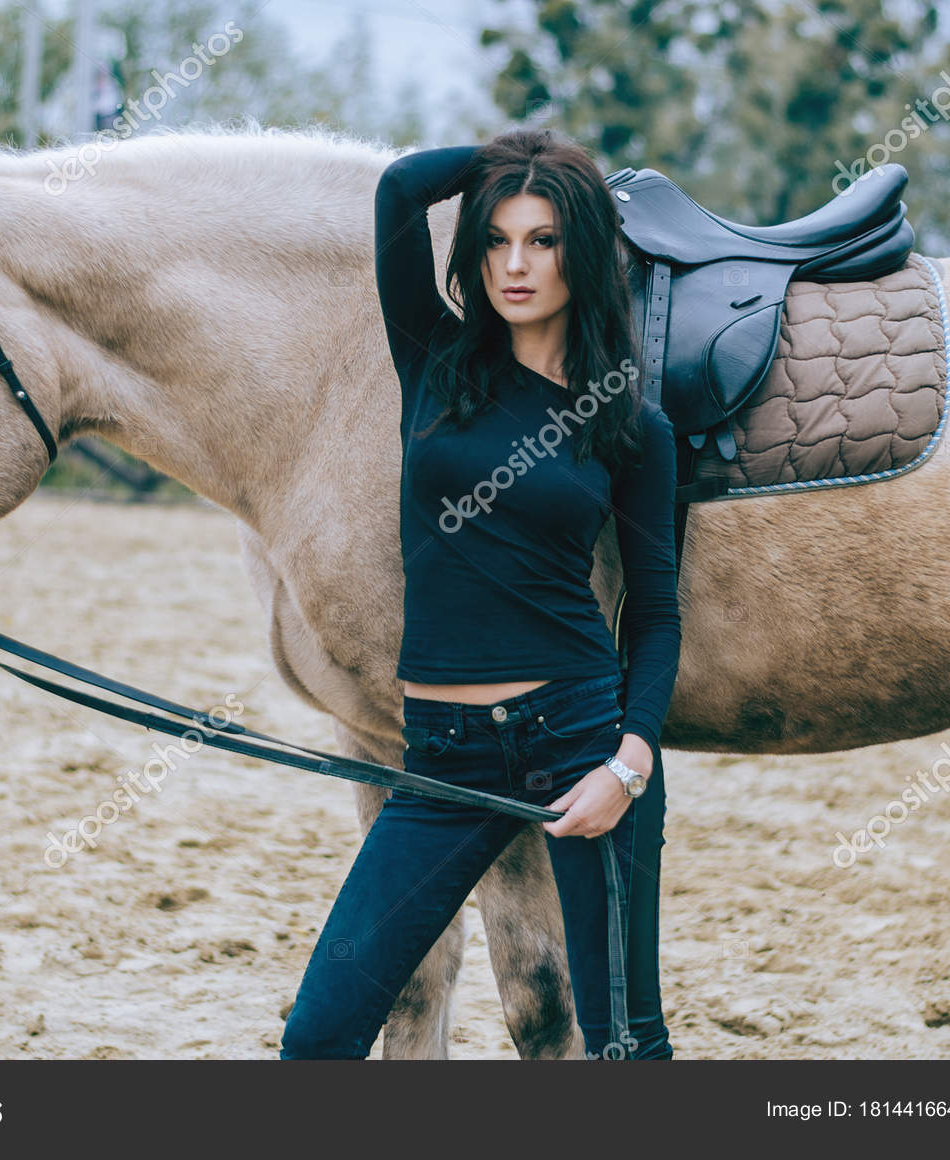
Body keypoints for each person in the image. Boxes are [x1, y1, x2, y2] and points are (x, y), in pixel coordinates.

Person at [280, 128, 681, 1060]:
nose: (515, 265)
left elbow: (657, 614)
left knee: (626, 1046)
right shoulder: (434, 362)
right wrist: (515, 158)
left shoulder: (630, 423)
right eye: (497, 239)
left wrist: (627, 768)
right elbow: (398, 191)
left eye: (543, 240)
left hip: (578, 743)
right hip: (441, 760)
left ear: (581, 252)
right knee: (318, 1038)